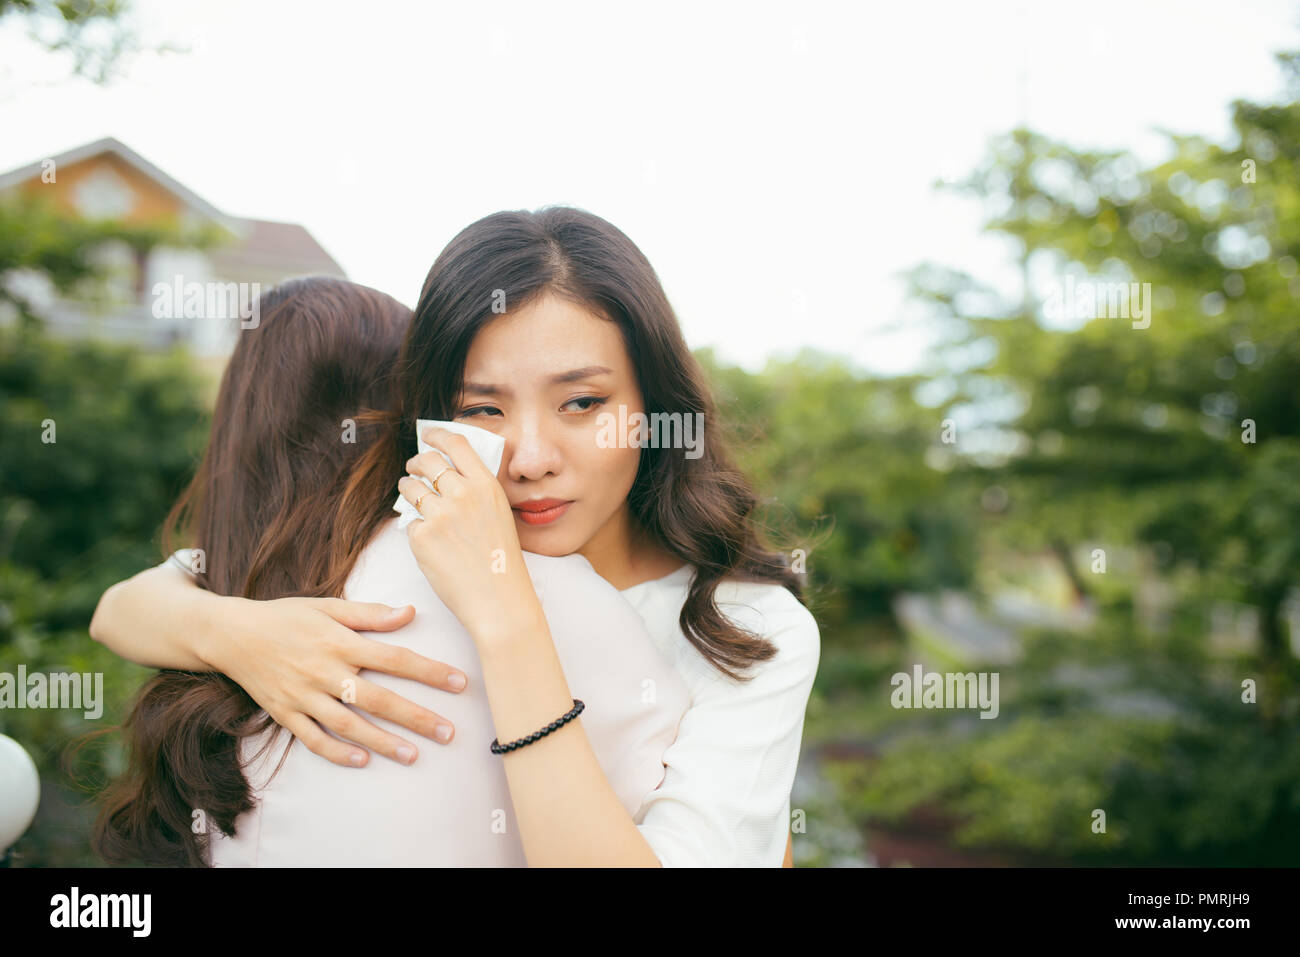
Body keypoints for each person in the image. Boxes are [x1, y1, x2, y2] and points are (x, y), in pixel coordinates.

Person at [92, 206, 822, 866]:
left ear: (653, 406)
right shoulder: (395, 542)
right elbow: (126, 606)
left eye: (581, 402)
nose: (530, 459)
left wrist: (506, 614)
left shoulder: (747, 629)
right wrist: (239, 632)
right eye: (482, 409)